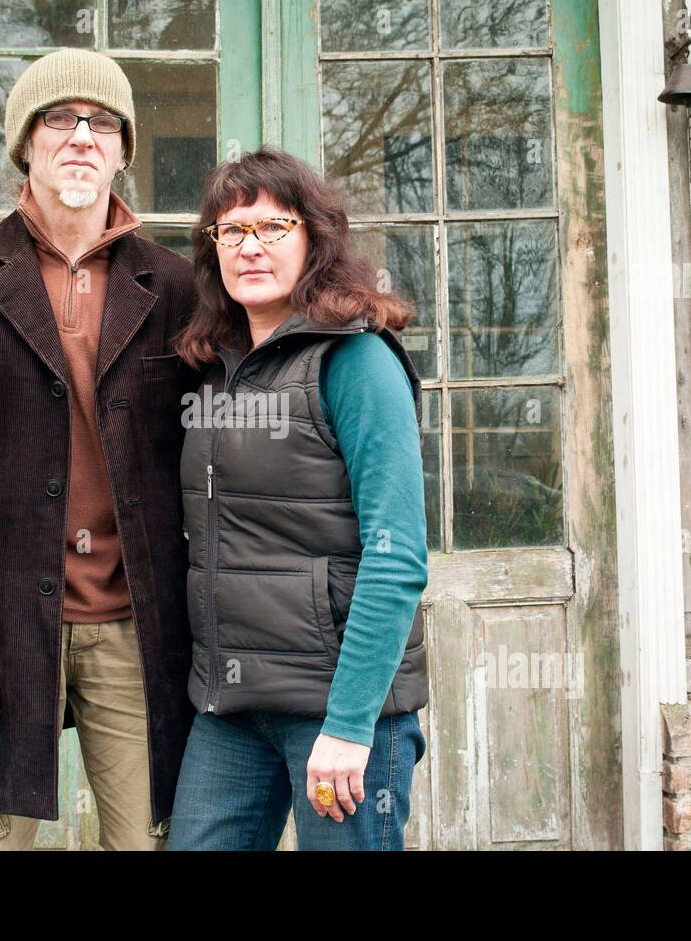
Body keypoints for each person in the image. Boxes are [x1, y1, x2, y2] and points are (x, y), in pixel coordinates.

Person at [0, 48, 198, 850]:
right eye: (58, 119)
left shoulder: (177, 286)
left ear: (124, 148)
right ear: (25, 142)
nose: (81, 136)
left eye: (102, 123)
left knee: (152, 838)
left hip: (137, 625)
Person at [165, 145, 430, 851]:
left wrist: (349, 725)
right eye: (232, 231)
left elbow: (397, 554)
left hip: (340, 712)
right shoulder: (214, 371)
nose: (251, 247)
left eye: (274, 228)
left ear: (314, 239)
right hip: (230, 705)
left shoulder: (356, 361)